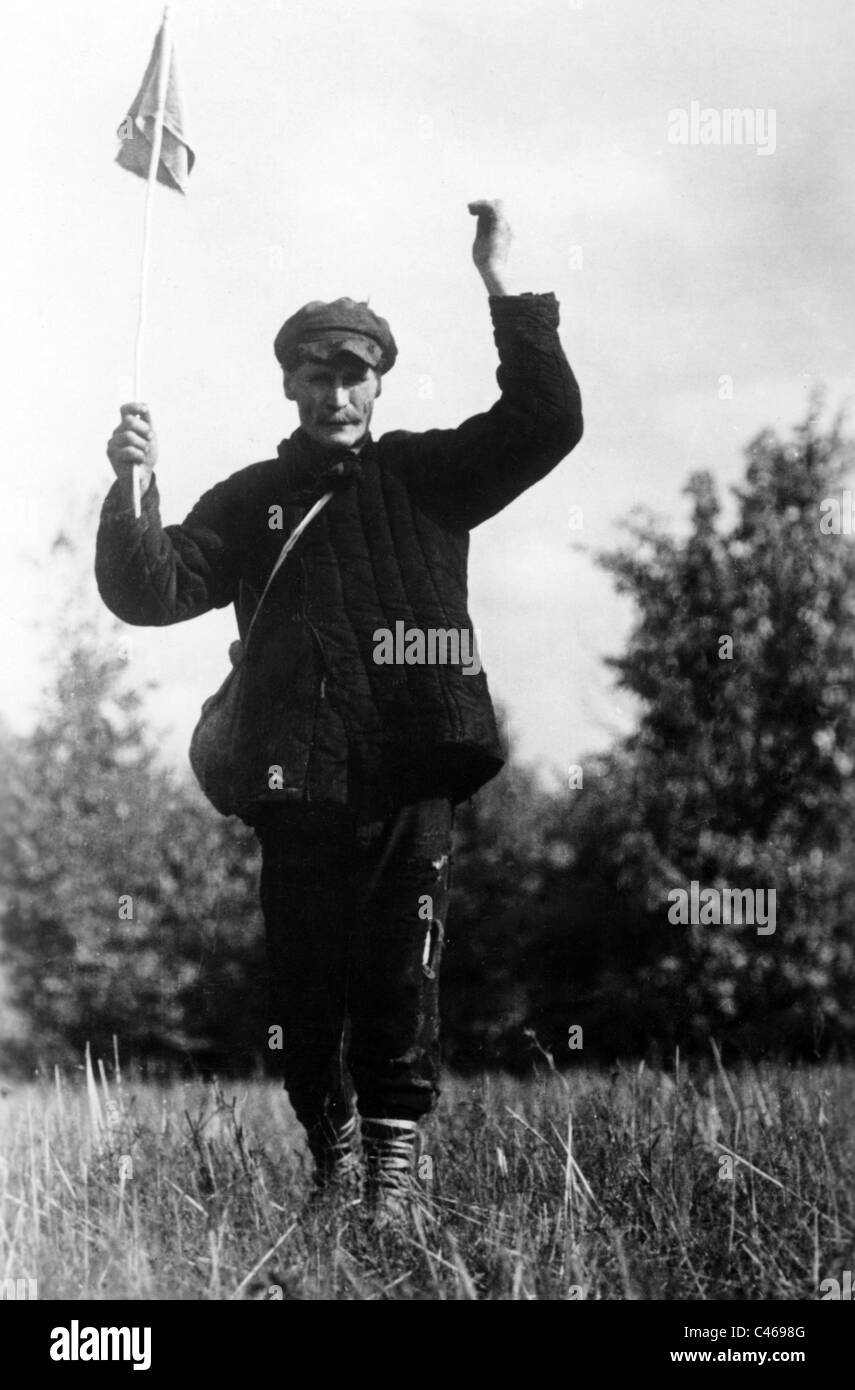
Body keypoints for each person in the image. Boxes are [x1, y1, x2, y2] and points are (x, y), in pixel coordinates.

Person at [95, 199, 583, 1220]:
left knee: (402, 979)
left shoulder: (427, 474)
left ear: (378, 380)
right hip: (295, 777)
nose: (336, 390)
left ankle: (392, 1181)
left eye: (353, 372)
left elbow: (548, 422)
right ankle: (334, 1155)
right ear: (291, 382)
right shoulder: (249, 498)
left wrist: (500, 282)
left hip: (413, 768)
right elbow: (151, 591)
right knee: (307, 1000)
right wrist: (130, 483)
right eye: (316, 373)